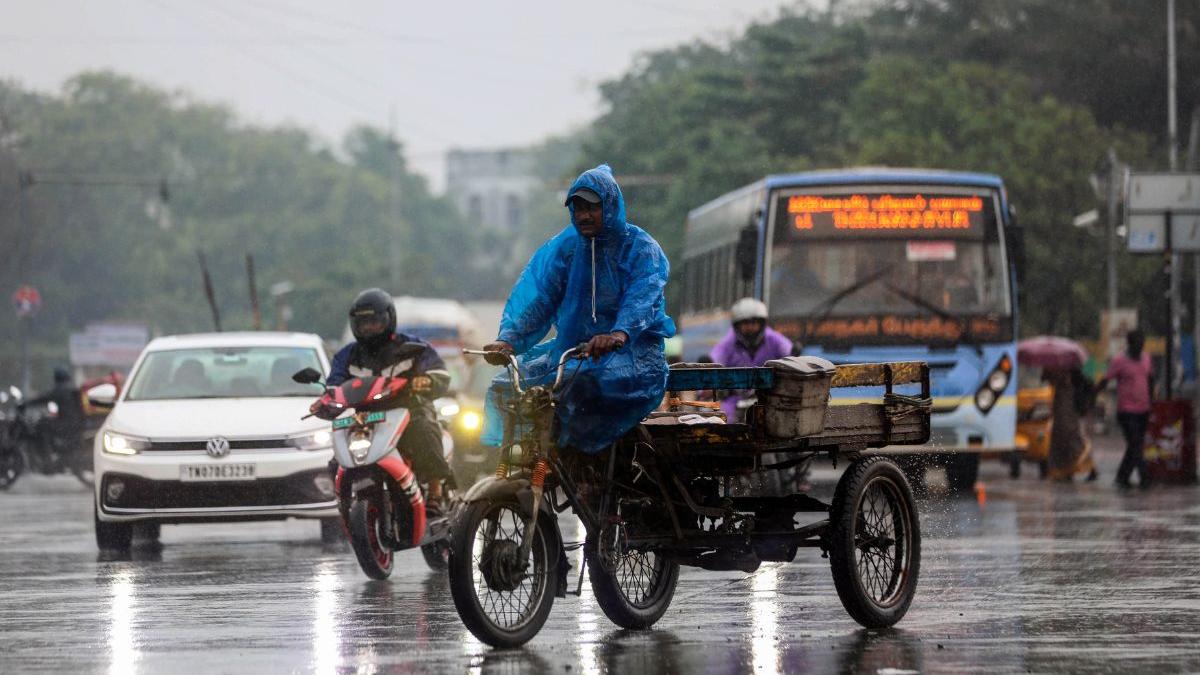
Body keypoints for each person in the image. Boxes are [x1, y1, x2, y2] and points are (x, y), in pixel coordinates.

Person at [481, 164, 675, 453]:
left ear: (610, 205)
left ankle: (603, 467)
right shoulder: (568, 248)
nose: (584, 215)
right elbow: (544, 301)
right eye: (578, 208)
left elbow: (642, 298)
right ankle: (541, 463)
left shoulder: (641, 248)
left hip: (632, 354)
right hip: (573, 353)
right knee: (507, 385)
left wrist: (618, 334)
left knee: (584, 382)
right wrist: (509, 339)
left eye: (591, 208)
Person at [326, 288, 455, 490]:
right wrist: (326, 401)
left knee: (424, 431)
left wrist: (427, 381)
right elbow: (334, 385)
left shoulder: (413, 346)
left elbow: (440, 373)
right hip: (365, 418)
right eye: (363, 323)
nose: (368, 328)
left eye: (374, 322)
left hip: (410, 410)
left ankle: (436, 489)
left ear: (389, 319)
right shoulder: (347, 355)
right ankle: (342, 499)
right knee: (337, 458)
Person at [709, 297, 797, 420]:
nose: (750, 327)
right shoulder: (727, 344)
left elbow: (791, 357)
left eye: (754, 323)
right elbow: (714, 364)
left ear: (761, 324)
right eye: (745, 323)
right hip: (735, 399)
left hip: (770, 397)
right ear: (737, 326)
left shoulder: (775, 340)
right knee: (721, 419)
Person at [1099, 329, 1154, 489]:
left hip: (1143, 409)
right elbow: (1106, 379)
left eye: (1142, 343)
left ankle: (1122, 477)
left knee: (1135, 445)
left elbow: (1150, 379)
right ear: (1130, 344)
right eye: (1138, 343)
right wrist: (1093, 394)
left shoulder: (1146, 359)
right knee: (1135, 443)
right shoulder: (1119, 361)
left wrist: (1152, 400)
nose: (1140, 347)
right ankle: (1145, 477)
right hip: (1127, 410)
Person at [1043, 366, 1096, 482]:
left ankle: (1089, 468)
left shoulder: (1070, 374)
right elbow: (1046, 379)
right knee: (1061, 440)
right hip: (1060, 406)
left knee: (1071, 438)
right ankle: (1065, 471)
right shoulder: (1055, 367)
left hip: (1067, 407)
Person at [23, 367, 85, 458]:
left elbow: (43, 398)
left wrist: (25, 404)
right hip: (76, 423)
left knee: (41, 424)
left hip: (65, 423)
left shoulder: (60, 390)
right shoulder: (72, 390)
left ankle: (47, 455)